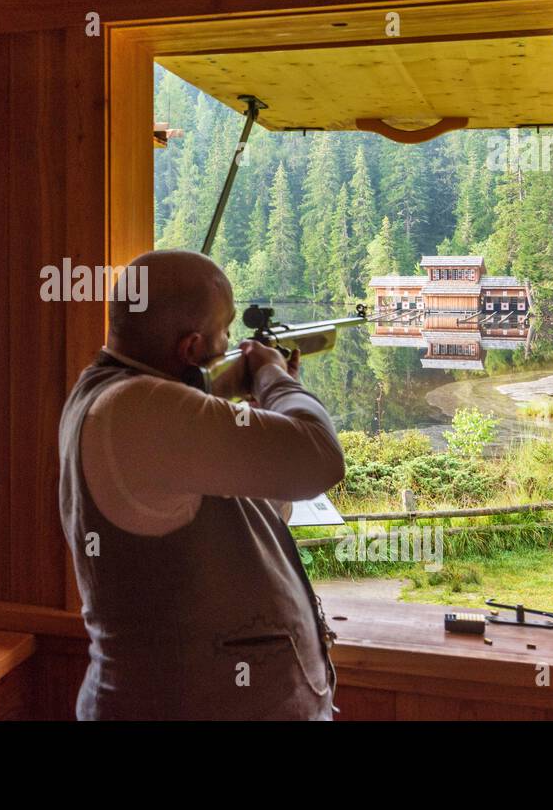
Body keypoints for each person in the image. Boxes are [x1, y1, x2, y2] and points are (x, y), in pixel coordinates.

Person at [58, 249, 347, 720]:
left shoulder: (118, 397)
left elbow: (268, 511)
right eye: (227, 331)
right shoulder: (137, 407)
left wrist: (254, 411)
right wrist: (276, 378)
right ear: (191, 350)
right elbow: (320, 459)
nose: (232, 342)